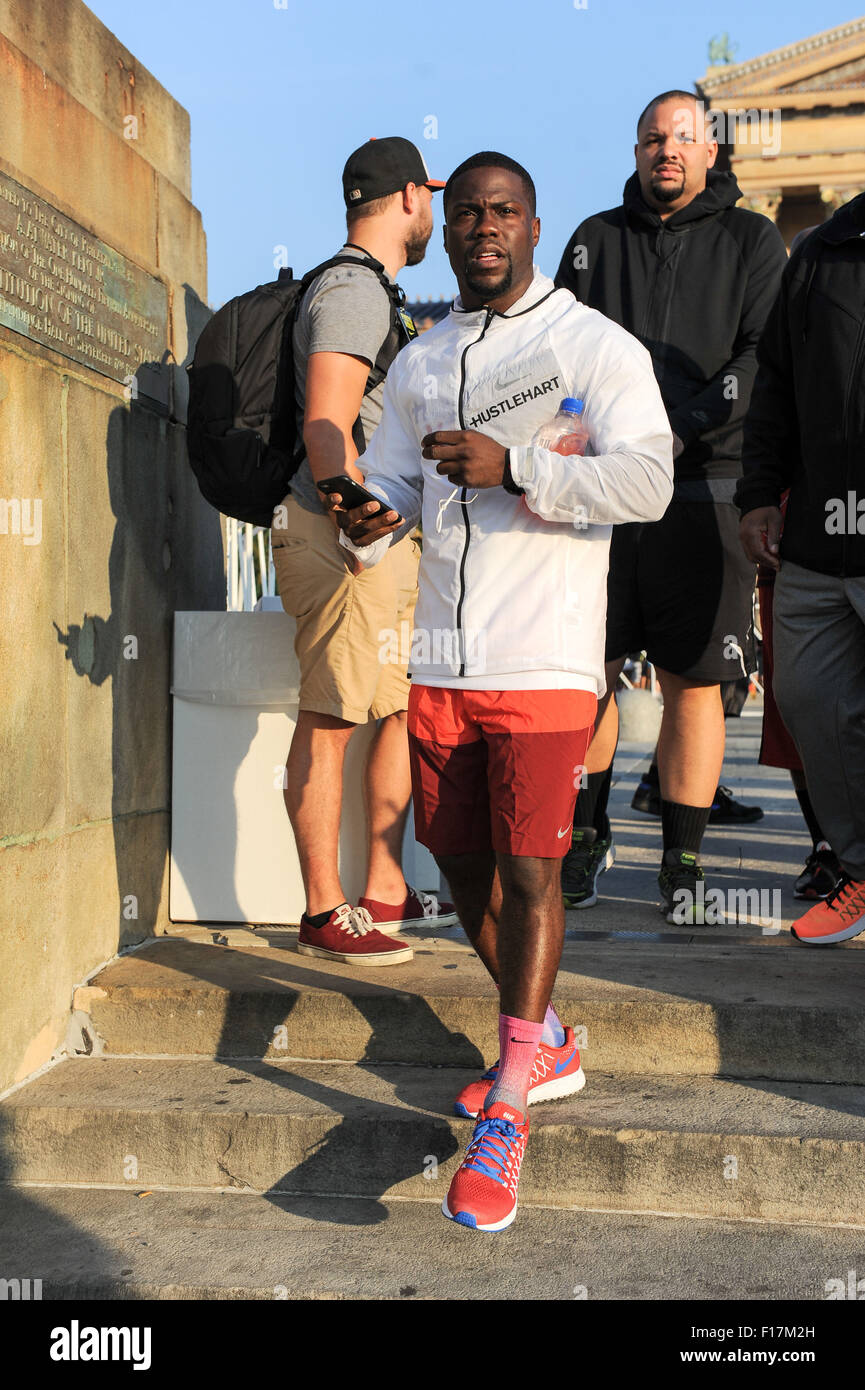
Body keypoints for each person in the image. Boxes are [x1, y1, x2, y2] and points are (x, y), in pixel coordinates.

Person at [332, 152, 673, 1231]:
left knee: (532, 876)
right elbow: (391, 472)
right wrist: (369, 513)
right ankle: (550, 1038)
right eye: (468, 212)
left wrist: (517, 464)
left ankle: (510, 1105)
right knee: (464, 866)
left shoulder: (592, 346)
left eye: (503, 213)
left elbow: (648, 480)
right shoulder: (424, 356)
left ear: (533, 226)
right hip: (440, 660)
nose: (483, 228)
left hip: (543, 655)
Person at [555, 90, 787, 921]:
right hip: (602, 499)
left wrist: (668, 429)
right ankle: (584, 839)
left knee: (694, 682)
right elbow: (558, 357)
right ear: (636, 147)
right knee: (588, 678)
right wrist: (571, 442)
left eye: (684, 139)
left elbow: (762, 357)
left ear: (711, 151)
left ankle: (682, 862)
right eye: (653, 138)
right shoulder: (591, 241)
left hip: (703, 490)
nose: (667, 151)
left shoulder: (752, 240)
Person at [271, 137, 454, 967]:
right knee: (333, 713)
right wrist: (353, 520)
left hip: (375, 541)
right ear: (411, 196)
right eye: (433, 199)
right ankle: (321, 908)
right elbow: (325, 419)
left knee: (389, 708)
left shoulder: (372, 290)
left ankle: (383, 887)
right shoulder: (351, 290)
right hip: (346, 538)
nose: (437, 218)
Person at [737, 191, 865, 945]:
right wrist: (759, 494)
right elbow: (774, 386)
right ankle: (856, 867)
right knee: (807, 696)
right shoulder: (821, 250)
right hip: (819, 536)